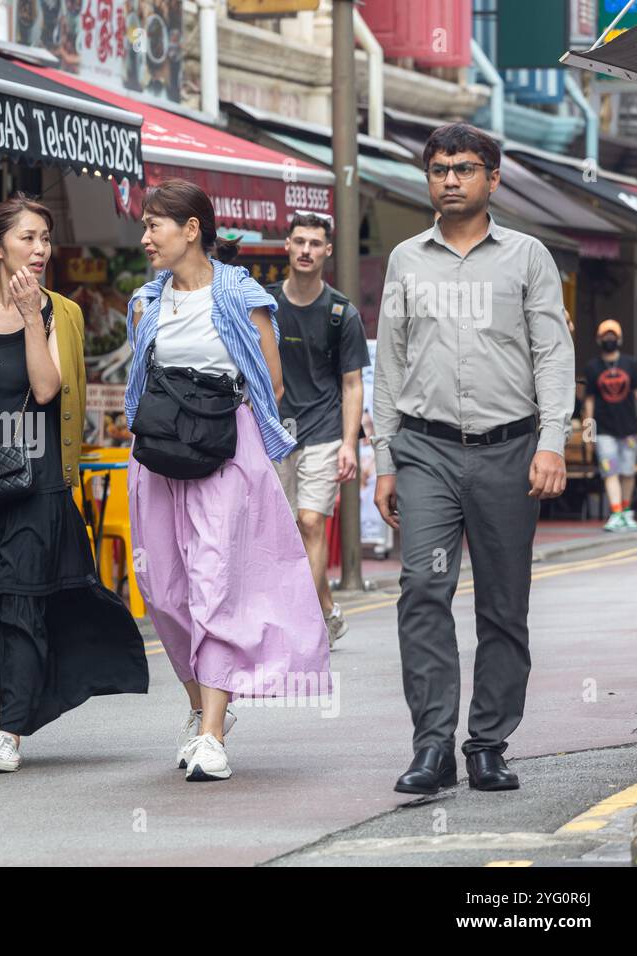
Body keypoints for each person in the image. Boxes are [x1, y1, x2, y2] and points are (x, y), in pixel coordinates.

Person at [373, 123, 574, 795]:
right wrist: (385, 459)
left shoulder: (527, 258)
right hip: (426, 451)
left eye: (463, 168)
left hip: (509, 454)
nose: (449, 179)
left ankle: (487, 743)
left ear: (492, 177)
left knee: (502, 604)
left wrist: (551, 442)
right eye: (438, 169)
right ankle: (431, 746)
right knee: (424, 591)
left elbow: (552, 353)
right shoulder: (406, 259)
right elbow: (389, 360)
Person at [0, 194, 148, 773]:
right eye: (28, 238)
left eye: (45, 238)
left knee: (21, 603)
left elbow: (47, 390)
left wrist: (27, 318)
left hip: (38, 484)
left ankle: (12, 730)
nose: (41, 249)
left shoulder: (60, 313)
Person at [124, 178, 328, 783]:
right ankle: (201, 705)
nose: (145, 238)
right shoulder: (145, 303)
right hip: (158, 457)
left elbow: (270, 380)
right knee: (163, 588)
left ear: (191, 229)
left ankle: (212, 731)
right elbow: (141, 383)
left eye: (154, 225)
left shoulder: (242, 295)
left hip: (224, 451)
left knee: (215, 581)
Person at [269, 213, 369, 648]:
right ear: (287, 247)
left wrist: (350, 445)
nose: (306, 250)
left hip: (324, 431)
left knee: (310, 522)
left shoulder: (341, 313)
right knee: (285, 529)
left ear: (328, 251)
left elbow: (352, 384)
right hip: (274, 432)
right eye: (299, 242)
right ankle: (326, 607)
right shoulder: (265, 304)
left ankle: (303, 623)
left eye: (315, 243)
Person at [582, 319, 637, 532]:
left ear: (620, 338)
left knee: (628, 472)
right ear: (599, 339)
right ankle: (616, 513)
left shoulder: (630, 364)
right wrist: (590, 434)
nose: (609, 339)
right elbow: (589, 402)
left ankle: (625, 512)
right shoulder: (592, 367)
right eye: (606, 335)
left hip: (629, 430)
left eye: (612, 335)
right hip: (604, 431)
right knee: (610, 471)